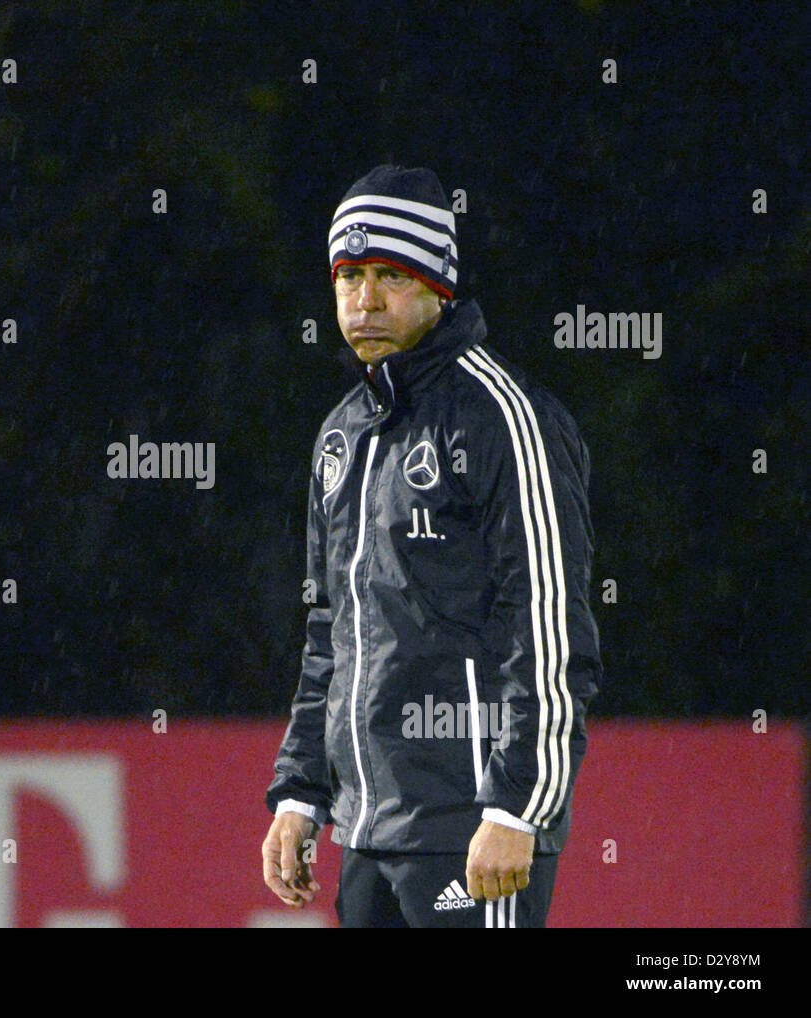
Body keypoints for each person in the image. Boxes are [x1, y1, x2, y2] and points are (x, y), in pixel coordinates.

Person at [262, 164, 602, 928]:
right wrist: (301, 791)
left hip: (472, 826)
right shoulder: (341, 436)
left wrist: (518, 807)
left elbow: (545, 624)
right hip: (369, 831)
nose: (365, 299)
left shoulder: (504, 419)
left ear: (439, 287)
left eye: (391, 274)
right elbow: (331, 631)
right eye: (348, 275)